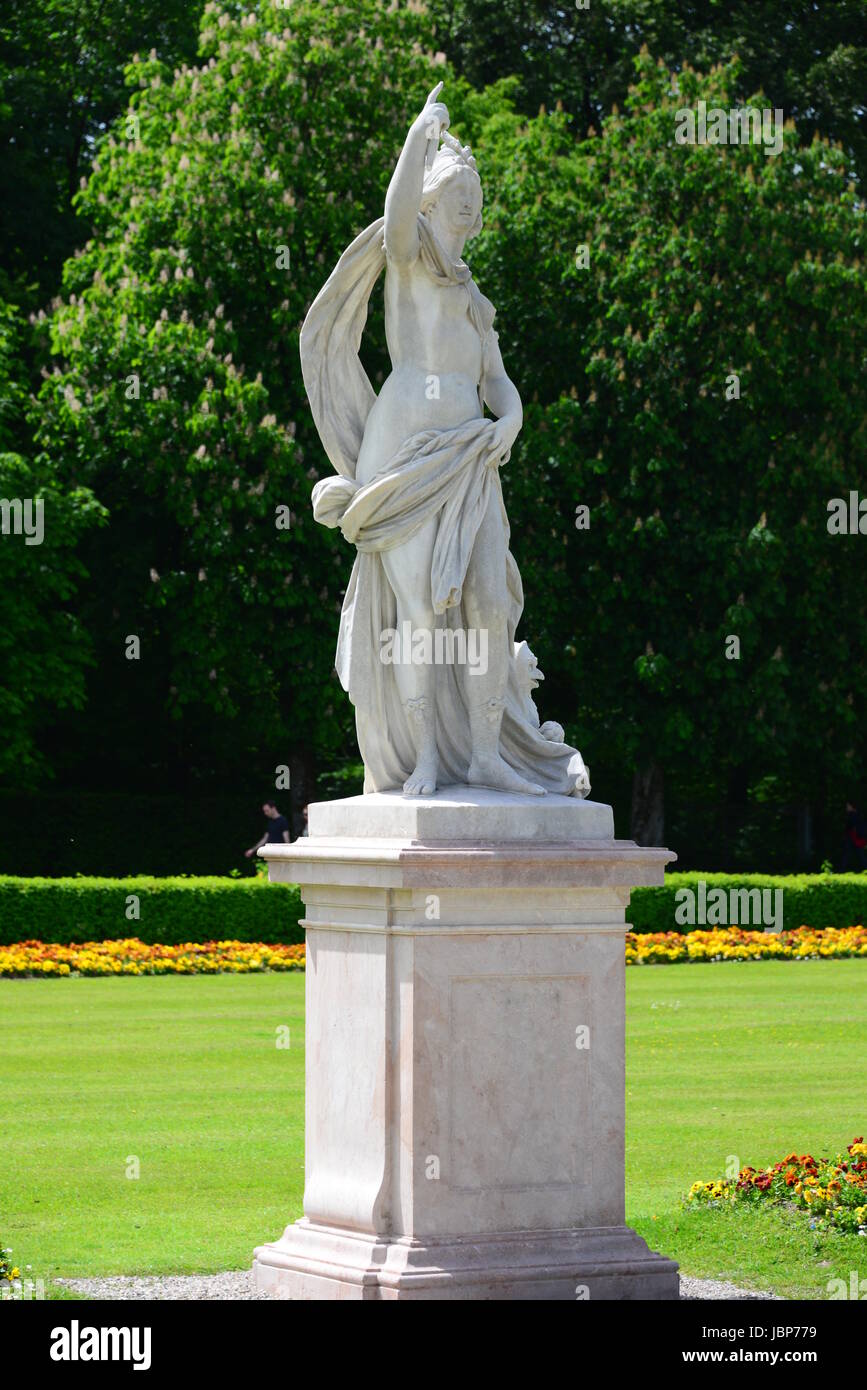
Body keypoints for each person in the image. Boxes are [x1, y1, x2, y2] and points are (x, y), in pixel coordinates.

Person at [301, 82, 590, 800]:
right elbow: (396, 211)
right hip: (404, 458)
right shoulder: (409, 260)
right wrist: (419, 136)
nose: (471, 200)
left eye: (476, 190)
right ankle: (426, 759)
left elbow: (496, 381)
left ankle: (486, 756)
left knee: (489, 604)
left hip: (471, 456)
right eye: (458, 187)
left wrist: (513, 419)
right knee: (420, 616)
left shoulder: (471, 296)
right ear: (431, 198)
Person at [842, 801, 867, 871]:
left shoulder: (852, 815)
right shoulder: (859, 814)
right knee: (861, 855)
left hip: (853, 838)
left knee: (847, 855)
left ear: (852, 806)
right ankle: (865, 869)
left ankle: (842, 869)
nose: (846, 808)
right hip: (858, 838)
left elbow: (850, 827)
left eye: (848, 806)